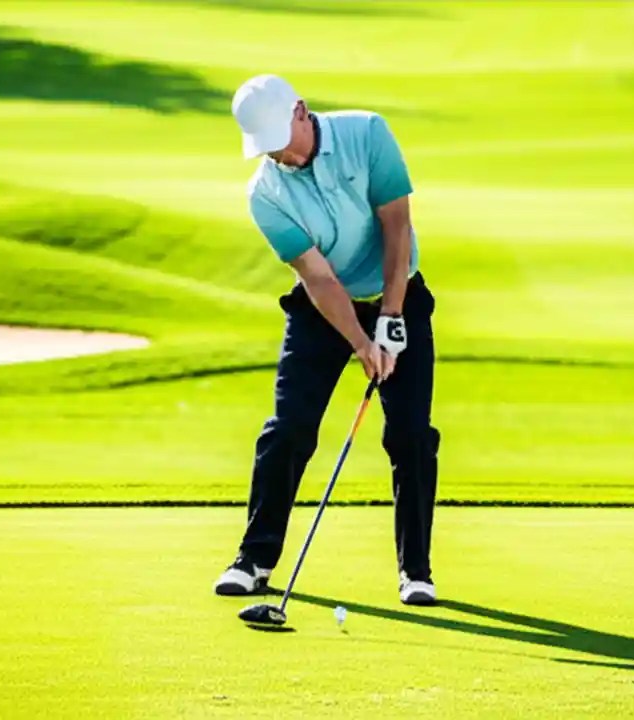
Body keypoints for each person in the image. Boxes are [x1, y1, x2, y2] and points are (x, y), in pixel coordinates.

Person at [212, 74, 441, 606]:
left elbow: (397, 226)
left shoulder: (367, 134)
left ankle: (416, 571)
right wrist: (362, 343)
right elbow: (318, 278)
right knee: (288, 429)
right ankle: (254, 559)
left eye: (281, 139)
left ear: (301, 110)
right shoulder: (265, 194)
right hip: (323, 312)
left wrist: (391, 316)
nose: (281, 155)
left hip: (399, 293)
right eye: (267, 147)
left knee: (410, 435)